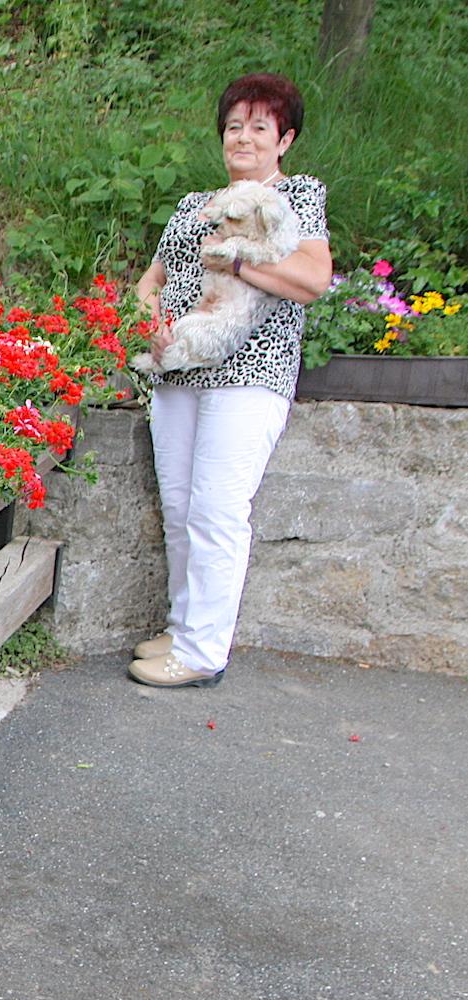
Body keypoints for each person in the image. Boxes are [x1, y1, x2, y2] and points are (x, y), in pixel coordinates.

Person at [129, 73, 331, 688]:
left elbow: (312, 279)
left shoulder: (294, 197)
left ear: (284, 139)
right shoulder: (195, 204)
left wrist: (238, 261)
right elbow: (152, 280)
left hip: (249, 374)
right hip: (177, 369)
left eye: (260, 127)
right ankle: (183, 628)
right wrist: (152, 324)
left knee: (217, 510)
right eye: (235, 126)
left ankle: (202, 652)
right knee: (180, 508)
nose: (244, 137)